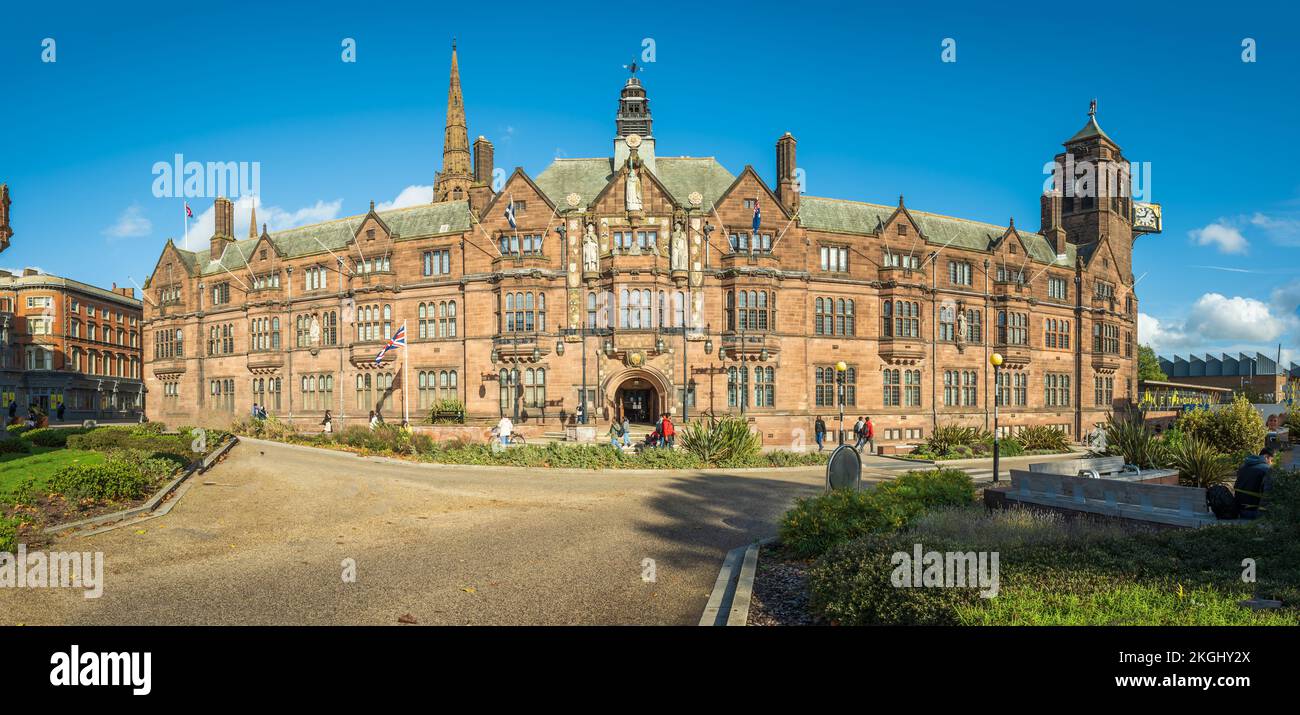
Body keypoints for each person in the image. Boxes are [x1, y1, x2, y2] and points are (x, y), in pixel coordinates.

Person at [1233, 447, 1274, 519]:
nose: (1272, 463)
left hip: (1238, 510)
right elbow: (1269, 492)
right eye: (1272, 460)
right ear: (1266, 457)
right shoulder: (1267, 469)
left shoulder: (1243, 467)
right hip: (1255, 512)